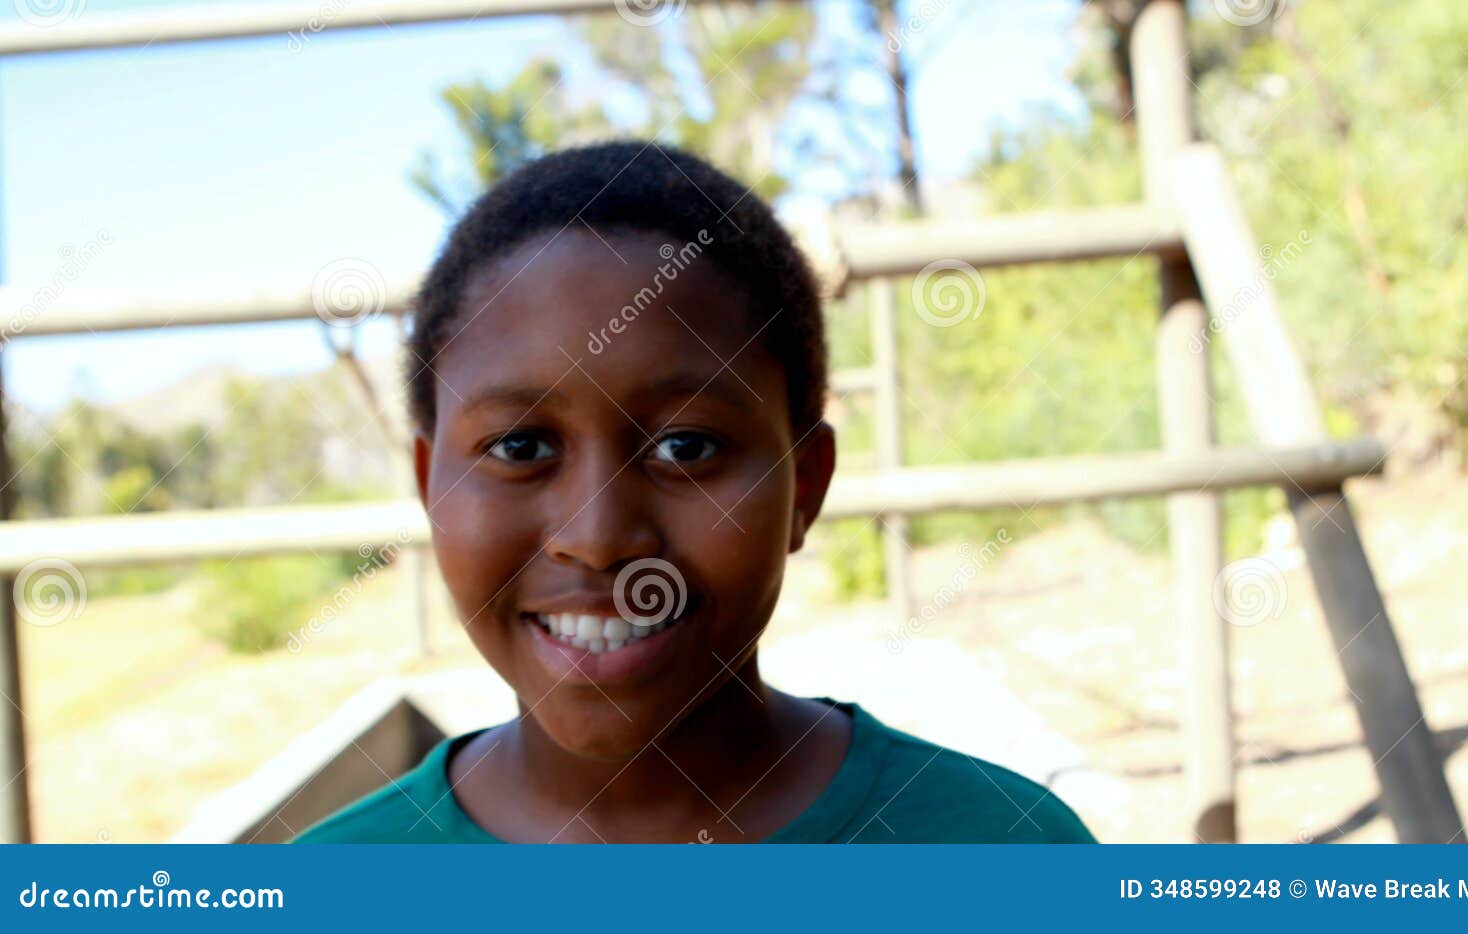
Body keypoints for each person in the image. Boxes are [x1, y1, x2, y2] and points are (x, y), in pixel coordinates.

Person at [296, 140, 1095, 844]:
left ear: (806, 487)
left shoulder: (998, 850)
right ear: (430, 484)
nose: (599, 535)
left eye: (686, 447)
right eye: (521, 446)